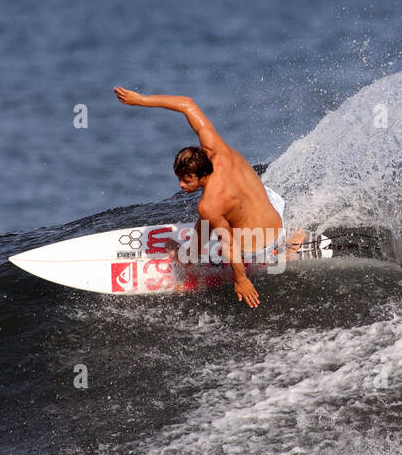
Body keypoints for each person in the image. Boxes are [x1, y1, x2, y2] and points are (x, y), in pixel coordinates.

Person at [114, 87, 297, 307]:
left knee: (209, 217)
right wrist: (142, 100)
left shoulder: (209, 203)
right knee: (247, 195)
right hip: (278, 219)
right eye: (179, 178)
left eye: (186, 180)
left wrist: (241, 280)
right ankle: (286, 244)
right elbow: (187, 104)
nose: (181, 185)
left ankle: (189, 258)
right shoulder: (217, 148)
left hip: (257, 246)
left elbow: (228, 244)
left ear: (201, 175)